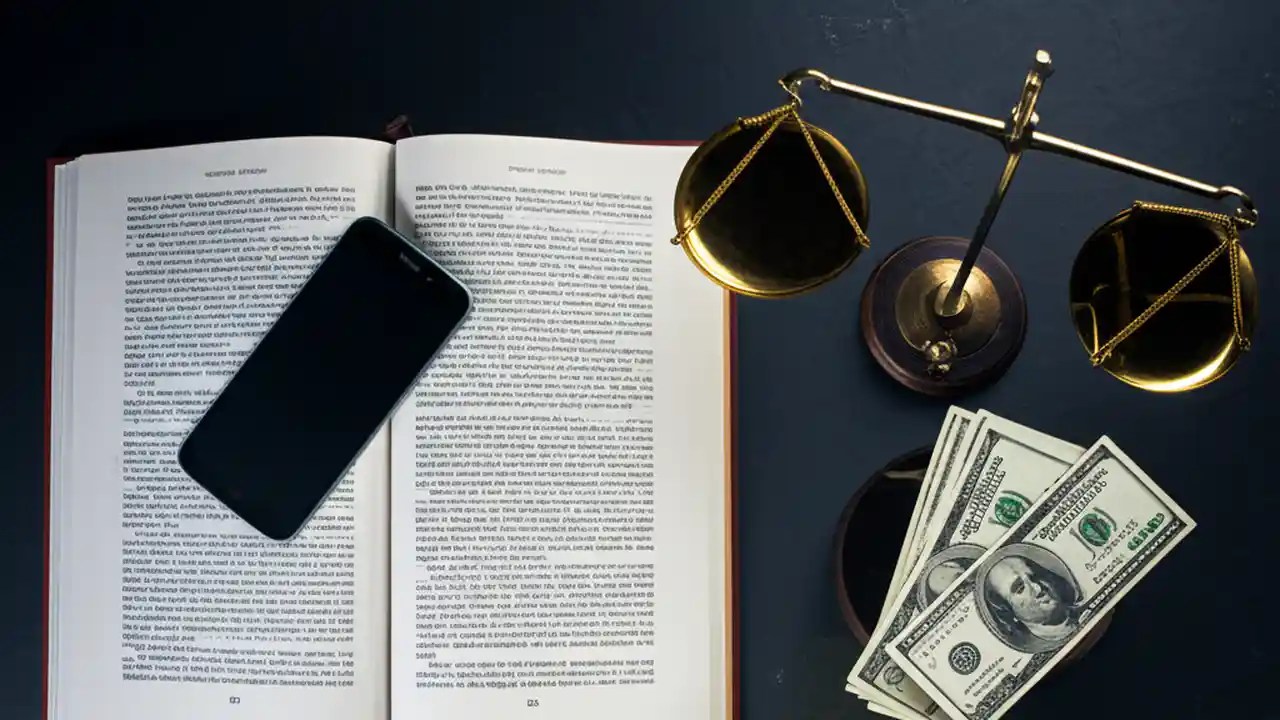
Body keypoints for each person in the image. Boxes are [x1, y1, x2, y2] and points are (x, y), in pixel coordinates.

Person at [982, 555, 1079, 651]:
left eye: (1035, 577)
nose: (1038, 588)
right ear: (1007, 611)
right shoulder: (1036, 647)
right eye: (1020, 588)